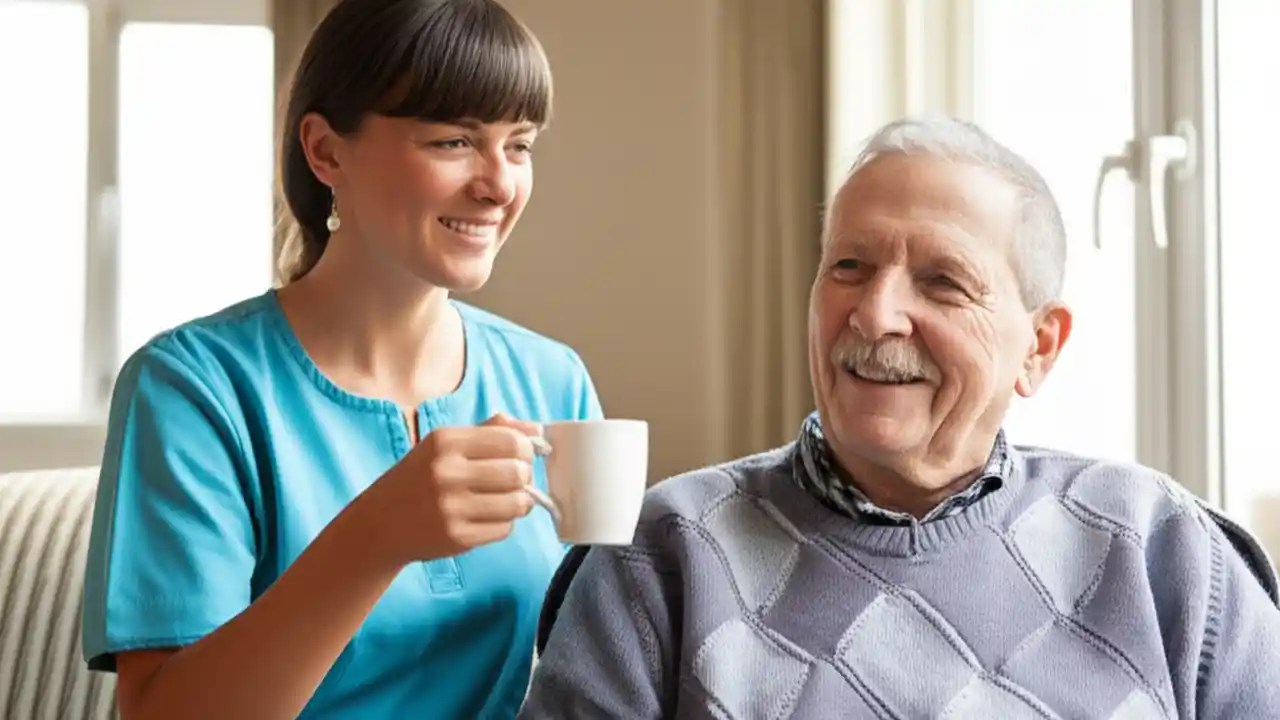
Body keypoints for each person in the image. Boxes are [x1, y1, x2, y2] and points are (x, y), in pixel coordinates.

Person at [522, 117, 1280, 719]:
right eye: (849, 267)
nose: (875, 314)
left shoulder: (1163, 549)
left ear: (1039, 346)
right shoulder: (664, 552)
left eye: (943, 282)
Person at [80, 1, 602, 717]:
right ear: (326, 152)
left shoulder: (553, 381)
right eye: (454, 141)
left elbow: (604, 655)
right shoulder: (193, 389)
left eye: (519, 145)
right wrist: (375, 537)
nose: (499, 185)